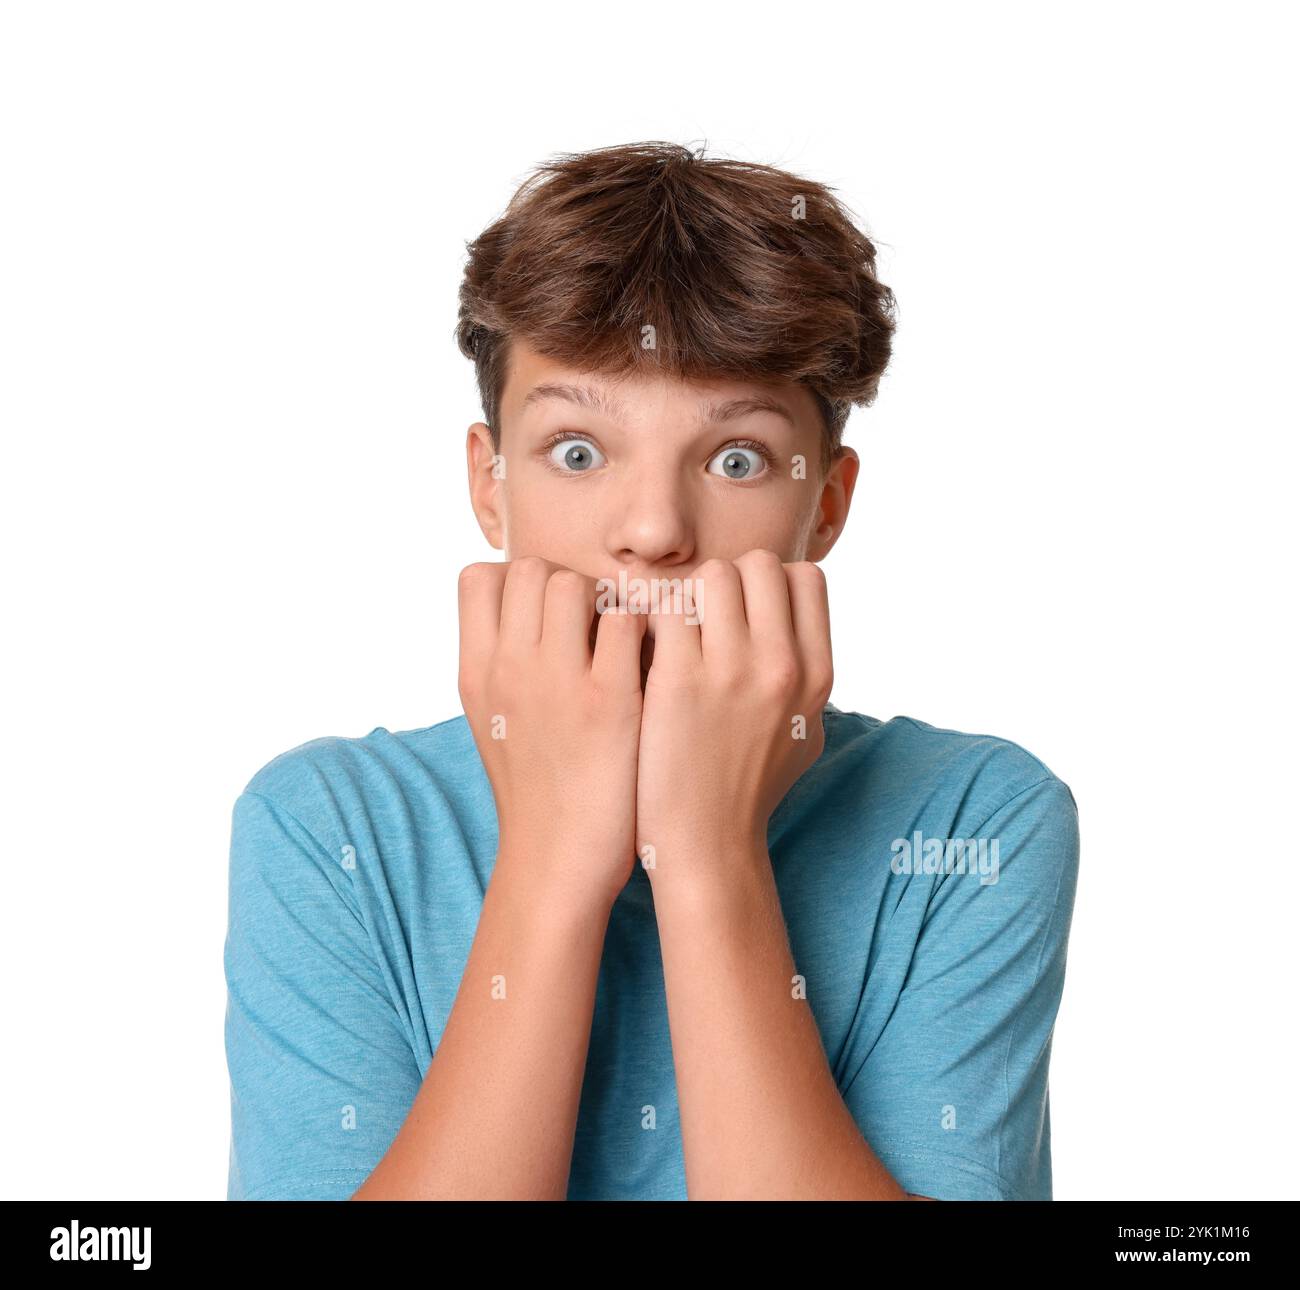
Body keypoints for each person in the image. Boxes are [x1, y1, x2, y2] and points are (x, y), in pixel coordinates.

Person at [223, 140, 1080, 1201]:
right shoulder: (329, 828)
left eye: (735, 459)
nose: (653, 531)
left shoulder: (968, 823)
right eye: (577, 450)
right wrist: (552, 856)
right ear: (490, 488)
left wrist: (707, 852)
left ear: (825, 504)